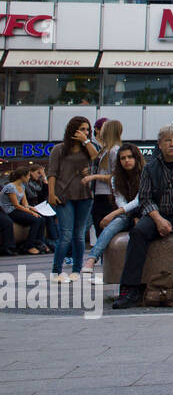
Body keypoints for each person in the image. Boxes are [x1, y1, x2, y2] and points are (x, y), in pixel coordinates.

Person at [111, 124, 173, 308]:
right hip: (160, 213)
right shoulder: (150, 167)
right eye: (168, 140)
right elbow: (145, 198)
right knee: (138, 232)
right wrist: (158, 219)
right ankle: (129, 290)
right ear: (160, 144)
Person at [46, 116, 99, 282]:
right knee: (66, 234)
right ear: (73, 130)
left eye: (87, 130)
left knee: (79, 235)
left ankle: (76, 270)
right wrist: (51, 194)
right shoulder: (59, 149)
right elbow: (52, 173)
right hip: (64, 196)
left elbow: (95, 157)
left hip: (84, 195)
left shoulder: (87, 148)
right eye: (82, 129)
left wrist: (86, 141)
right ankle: (56, 271)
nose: (86, 132)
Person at [84, 143, 145, 275]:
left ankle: (93, 259)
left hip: (145, 212)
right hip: (127, 214)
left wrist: (113, 214)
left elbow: (139, 200)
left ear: (136, 158)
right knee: (118, 222)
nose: (127, 160)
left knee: (119, 219)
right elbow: (120, 201)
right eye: (123, 158)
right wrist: (120, 214)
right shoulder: (116, 179)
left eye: (130, 157)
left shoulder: (145, 174)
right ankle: (92, 258)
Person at [85, 119, 124, 246]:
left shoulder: (114, 150)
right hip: (99, 194)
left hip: (108, 195)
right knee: (99, 230)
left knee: (104, 231)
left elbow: (116, 176)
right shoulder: (106, 150)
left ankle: (107, 262)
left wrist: (93, 177)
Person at [2, 168, 52, 254]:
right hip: (10, 211)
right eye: (28, 176)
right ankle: (29, 246)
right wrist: (31, 212)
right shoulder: (10, 187)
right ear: (22, 177)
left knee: (42, 219)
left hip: (18, 209)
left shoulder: (22, 186)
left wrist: (32, 208)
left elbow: (25, 203)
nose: (29, 177)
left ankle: (38, 243)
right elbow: (16, 205)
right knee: (35, 220)